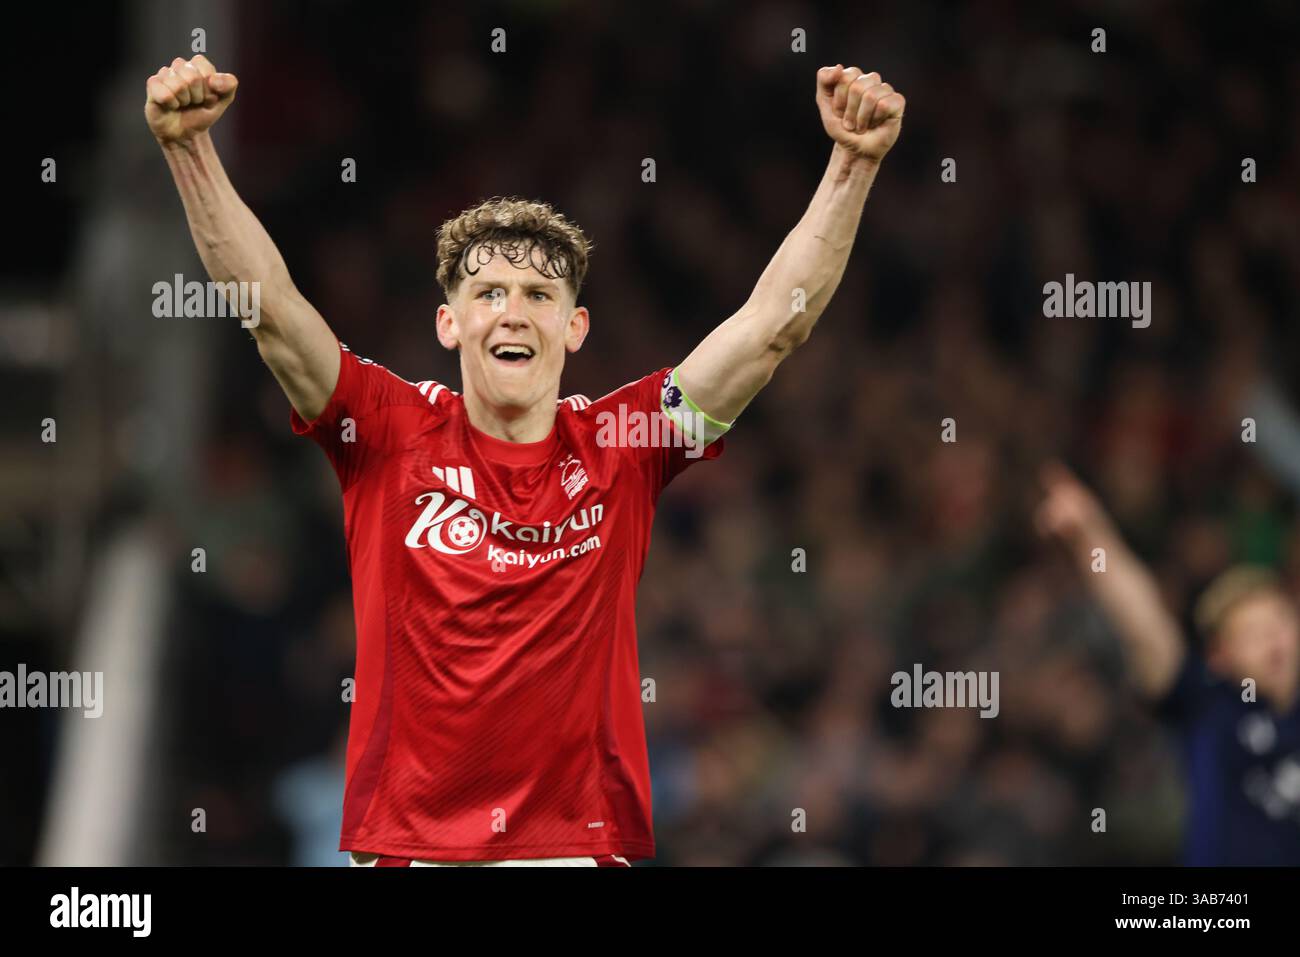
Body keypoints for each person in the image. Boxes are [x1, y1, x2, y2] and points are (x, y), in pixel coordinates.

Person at [145, 54, 905, 866]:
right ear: (450, 323)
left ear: (575, 328)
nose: (514, 312)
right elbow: (269, 309)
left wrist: (852, 165)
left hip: (571, 853)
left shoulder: (626, 443)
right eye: (490, 293)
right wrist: (190, 152)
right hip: (412, 854)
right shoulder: (386, 429)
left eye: (540, 295)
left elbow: (770, 328)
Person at [1036, 462, 1300, 864]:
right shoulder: (1210, 704)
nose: (1272, 639)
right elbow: (1146, 627)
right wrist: (1090, 535)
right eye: (1251, 632)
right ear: (1220, 658)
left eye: (1280, 622)